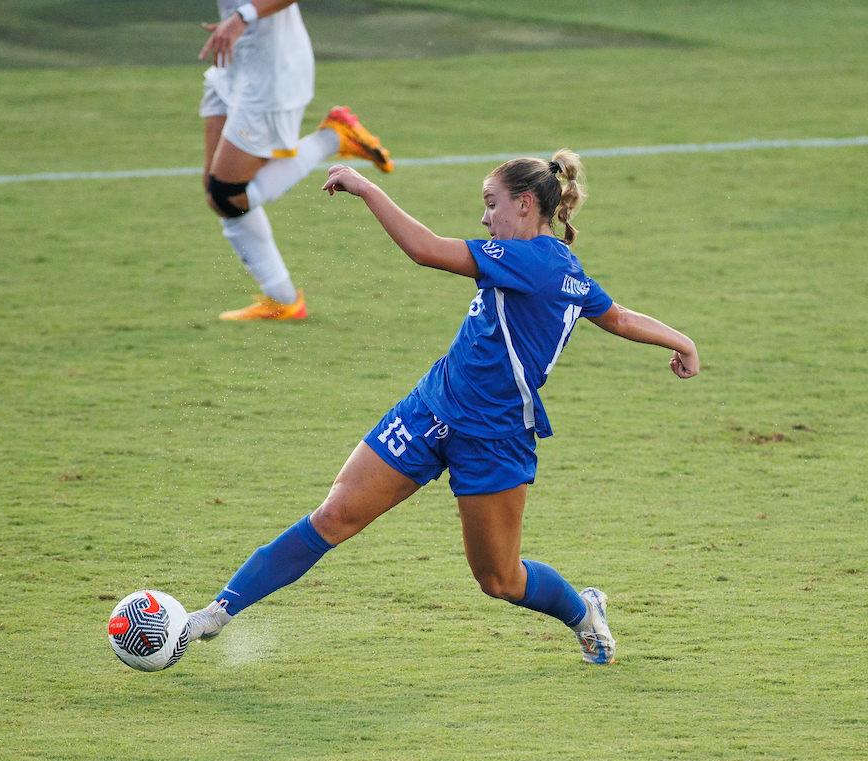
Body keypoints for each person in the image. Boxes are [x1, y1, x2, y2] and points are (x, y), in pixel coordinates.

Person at [186, 150, 700, 663]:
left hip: (493, 439)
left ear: (524, 205)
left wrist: (366, 189)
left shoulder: (530, 261)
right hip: (431, 407)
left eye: (490, 203)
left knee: (500, 579)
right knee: (335, 514)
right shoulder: (562, 268)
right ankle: (215, 613)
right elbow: (621, 318)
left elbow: (426, 250)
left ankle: (584, 611)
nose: (484, 218)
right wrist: (682, 341)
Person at [198, 0, 393, 320]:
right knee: (216, 192)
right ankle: (283, 300)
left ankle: (334, 136)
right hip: (232, 62)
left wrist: (241, 18)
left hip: (271, 71)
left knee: (226, 195)